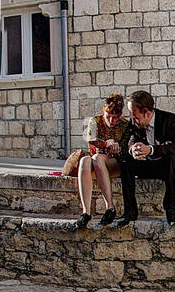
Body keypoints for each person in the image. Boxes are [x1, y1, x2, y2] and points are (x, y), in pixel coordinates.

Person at [110, 89, 175, 228]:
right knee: (125, 161)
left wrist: (151, 149)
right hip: (145, 165)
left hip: (165, 166)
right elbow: (127, 141)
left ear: (146, 112)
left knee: (173, 158)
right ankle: (130, 212)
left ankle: (171, 211)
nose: (132, 119)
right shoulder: (133, 123)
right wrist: (132, 149)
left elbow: (174, 146)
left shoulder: (169, 119)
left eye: (135, 115)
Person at [51, 94, 128, 229]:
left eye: (115, 117)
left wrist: (117, 146)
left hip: (114, 163)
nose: (111, 120)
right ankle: (86, 212)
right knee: (85, 160)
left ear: (120, 114)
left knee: (97, 158)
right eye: (108, 115)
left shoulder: (125, 125)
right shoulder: (95, 121)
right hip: (96, 160)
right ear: (103, 111)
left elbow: (127, 148)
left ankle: (110, 207)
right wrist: (105, 145)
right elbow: (91, 140)